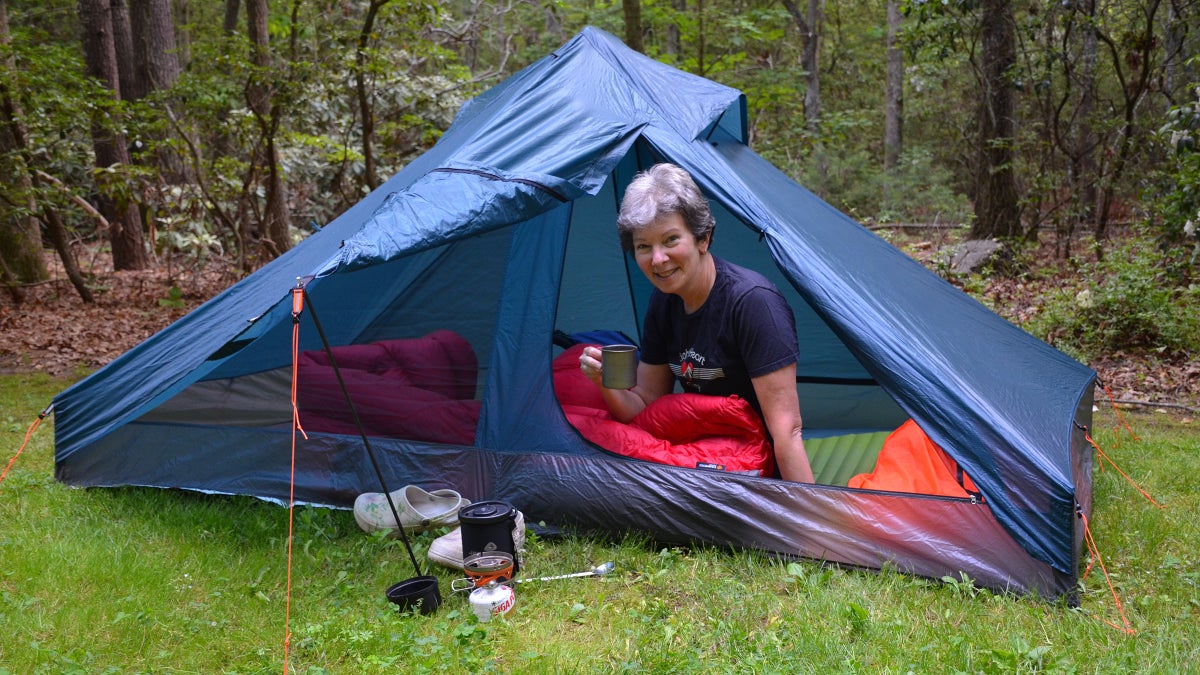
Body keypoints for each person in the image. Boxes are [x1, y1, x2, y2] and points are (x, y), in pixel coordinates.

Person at [579, 163, 815, 483]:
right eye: (644, 247)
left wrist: (809, 523)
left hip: (754, 461)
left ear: (703, 238)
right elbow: (644, 407)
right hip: (701, 448)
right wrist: (605, 382)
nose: (658, 259)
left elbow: (788, 430)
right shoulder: (664, 301)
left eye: (670, 239)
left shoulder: (753, 304)